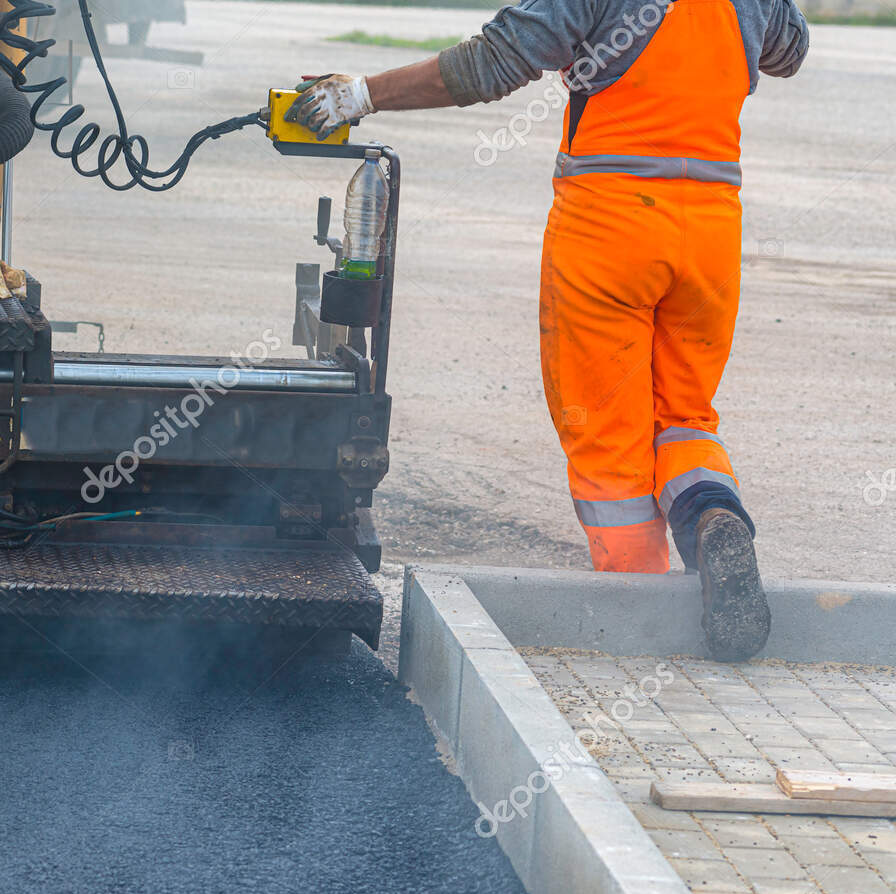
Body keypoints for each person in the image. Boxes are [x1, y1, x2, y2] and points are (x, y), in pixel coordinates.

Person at [287, 0, 808, 661]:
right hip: (711, 229)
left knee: (610, 448)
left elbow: (489, 63)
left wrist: (358, 95)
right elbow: (788, 52)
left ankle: (643, 621)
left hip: (611, 223)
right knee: (684, 418)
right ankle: (712, 511)